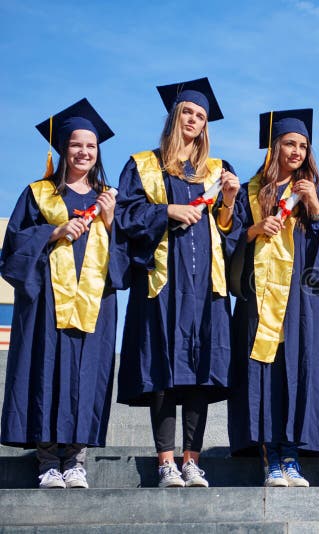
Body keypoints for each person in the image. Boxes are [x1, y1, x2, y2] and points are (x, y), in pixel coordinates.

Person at [116, 77, 242, 488]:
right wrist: (167, 210)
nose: (193, 120)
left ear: (206, 126)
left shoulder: (218, 171)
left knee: (201, 373)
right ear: (174, 117)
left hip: (207, 287)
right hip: (163, 285)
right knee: (163, 370)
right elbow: (126, 216)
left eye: (200, 116)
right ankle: (166, 461)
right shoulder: (143, 165)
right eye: (187, 112)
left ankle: (192, 460)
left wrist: (228, 202)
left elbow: (231, 231)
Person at [0, 98, 123, 489]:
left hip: (94, 304)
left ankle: (76, 460)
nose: (84, 151)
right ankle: (49, 460)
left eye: (91, 145)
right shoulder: (38, 194)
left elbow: (127, 260)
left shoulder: (108, 198)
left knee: (87, 376)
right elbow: (12, 248)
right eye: (75, 144)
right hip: (47, 304)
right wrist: (53, 232)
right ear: (62, 149)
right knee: (45, 370)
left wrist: (109, 220)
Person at [226, 109, 319, 487]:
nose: (296, 151)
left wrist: (315, 208)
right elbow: (225, 242)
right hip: (258, 300)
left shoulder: (317, 192)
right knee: (264, 375)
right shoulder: (249, 193)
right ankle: (271, 459)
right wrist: (253, 230)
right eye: (289, 143)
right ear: (274, 147)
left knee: (300, 371)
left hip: (303, 302)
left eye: (303, 145)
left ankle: (291, 456)